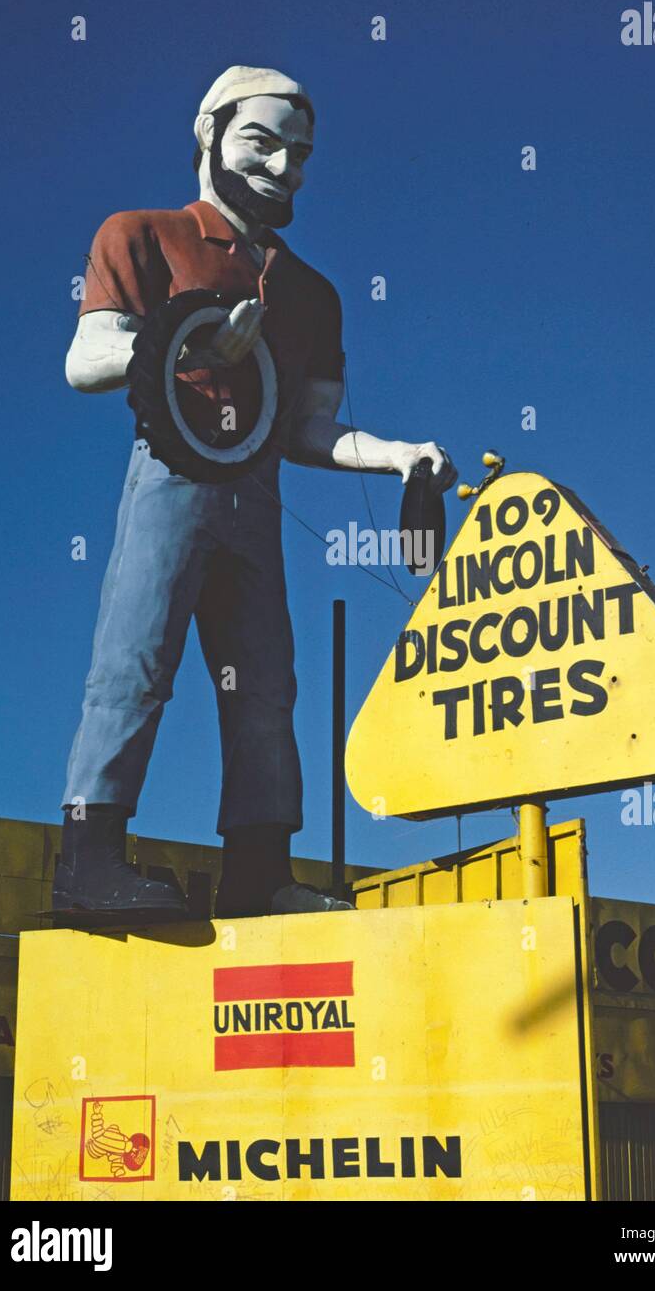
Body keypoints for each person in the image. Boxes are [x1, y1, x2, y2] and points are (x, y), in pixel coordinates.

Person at [55, 64, 457, 922]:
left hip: (258, 496)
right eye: (262, 141)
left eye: (300, 154)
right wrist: (189, 343)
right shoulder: (141, 233)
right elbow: (86, 359)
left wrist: (395, 455)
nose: (284, 167)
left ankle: (259, 871)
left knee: (267, 683)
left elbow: (306, 427)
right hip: (172, 478)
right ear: (209, 133)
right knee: (135, 662)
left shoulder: (313, 294)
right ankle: (90, 859)